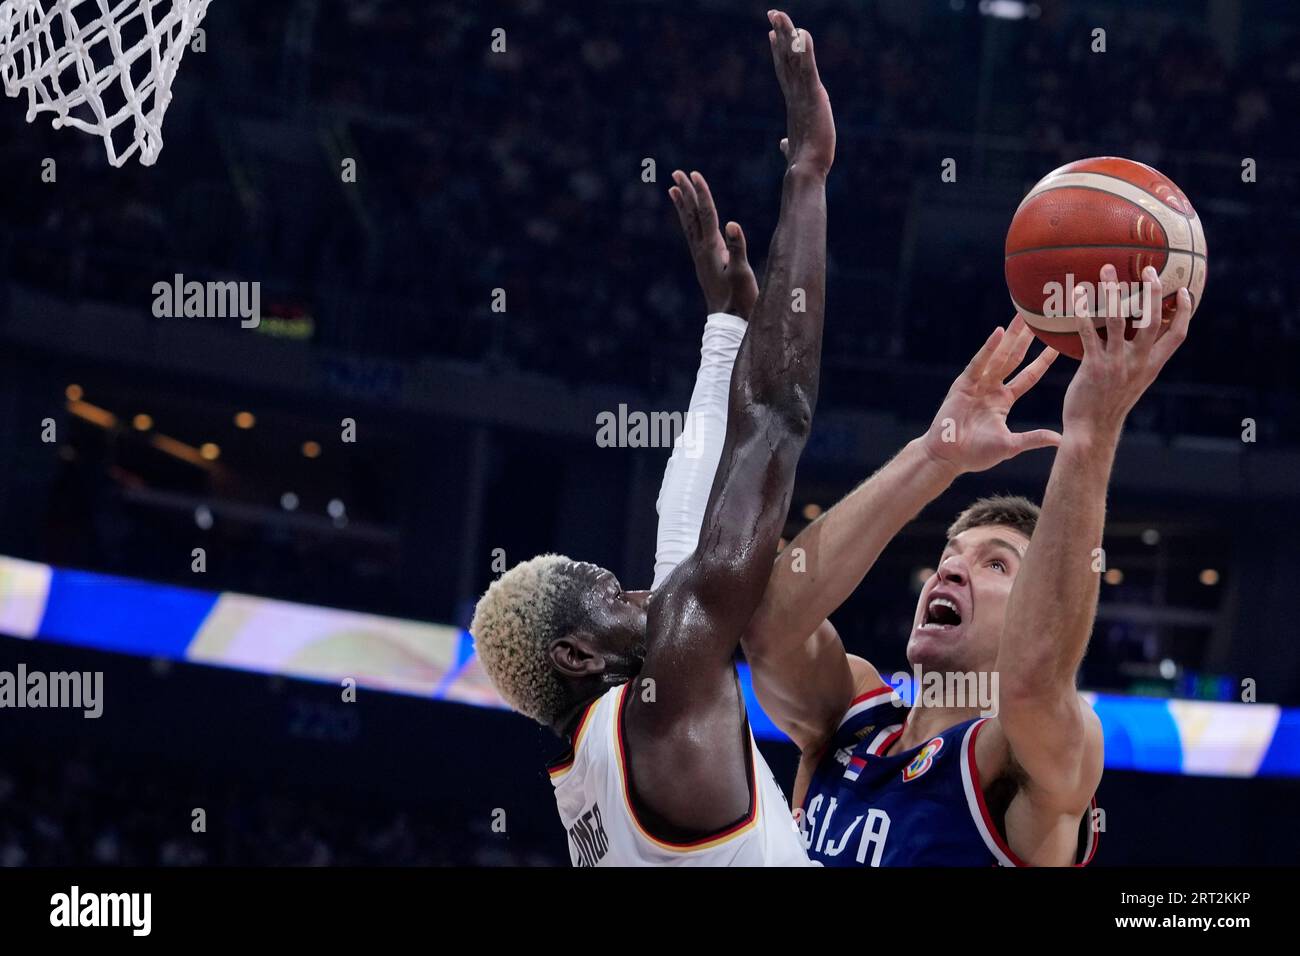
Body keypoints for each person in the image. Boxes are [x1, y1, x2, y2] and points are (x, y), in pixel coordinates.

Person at [470, 10, 832, 865]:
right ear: (577, 651)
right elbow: (776, 421)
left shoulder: (596, 759)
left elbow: (685, 535)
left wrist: (722, 334)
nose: (639, 589)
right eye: (610, 589)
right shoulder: (661, 711)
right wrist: (808, 174)